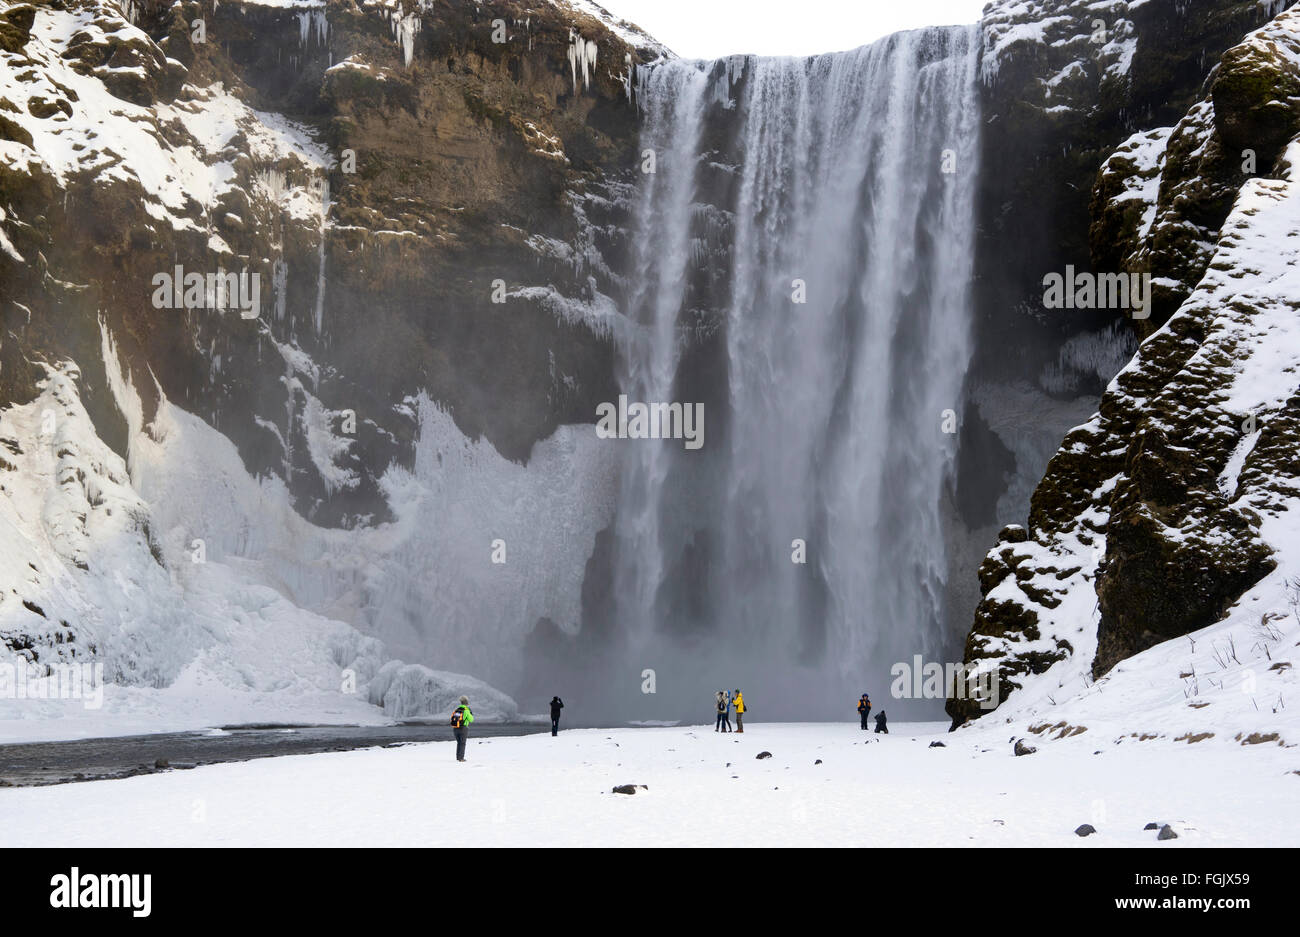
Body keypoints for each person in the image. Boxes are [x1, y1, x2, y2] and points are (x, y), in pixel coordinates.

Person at [451, 695, 474, 761]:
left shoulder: (457, 710)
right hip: (463, 728)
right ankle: (461, 758)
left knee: (459, 743)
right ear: (467, 703)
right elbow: (471, 720)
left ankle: (458, 757)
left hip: (455, 728)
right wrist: (470, 713)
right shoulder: (466, 710)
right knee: (462, 743)